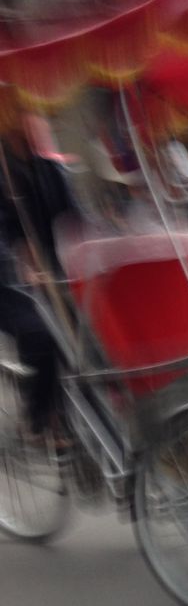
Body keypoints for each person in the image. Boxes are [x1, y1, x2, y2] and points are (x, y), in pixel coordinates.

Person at [0, 121, 78, 440]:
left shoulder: (51, 170)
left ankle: (78, 410)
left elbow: (74, 220)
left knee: (92, 331)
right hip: (13, 283)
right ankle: (40, 415)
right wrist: (22, 262)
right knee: (44, 334)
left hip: (59, 273)